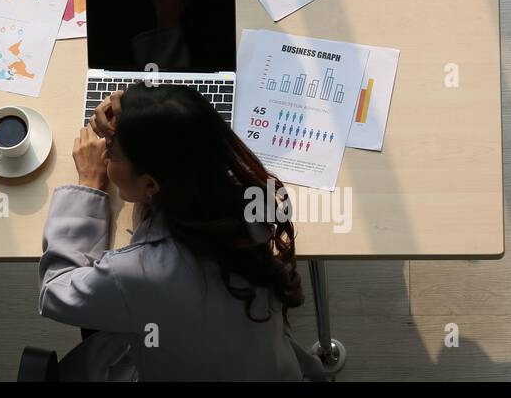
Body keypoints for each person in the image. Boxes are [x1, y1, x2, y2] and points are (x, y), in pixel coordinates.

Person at [38, 84, 322, 381]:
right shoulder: (250, 205)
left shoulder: (136, 272)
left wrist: (87, 185)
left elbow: (54, 292)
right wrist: (142, 114)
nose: (106, 158)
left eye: (112, 153)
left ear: (151, 185)